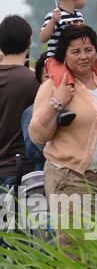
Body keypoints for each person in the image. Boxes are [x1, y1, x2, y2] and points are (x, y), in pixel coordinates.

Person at [28, 24, 97, 247]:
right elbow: (37, 135)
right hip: (71, 179)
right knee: (77, 251)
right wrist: (57, 102)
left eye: (88, 50)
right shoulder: (54, 86)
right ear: (64, 56)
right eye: (76, 52)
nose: (84, 57)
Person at [0, 15, 40, 198]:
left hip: (13, 171)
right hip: (22, 172)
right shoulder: (33, 81)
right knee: (22, 226)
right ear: (30, 41)